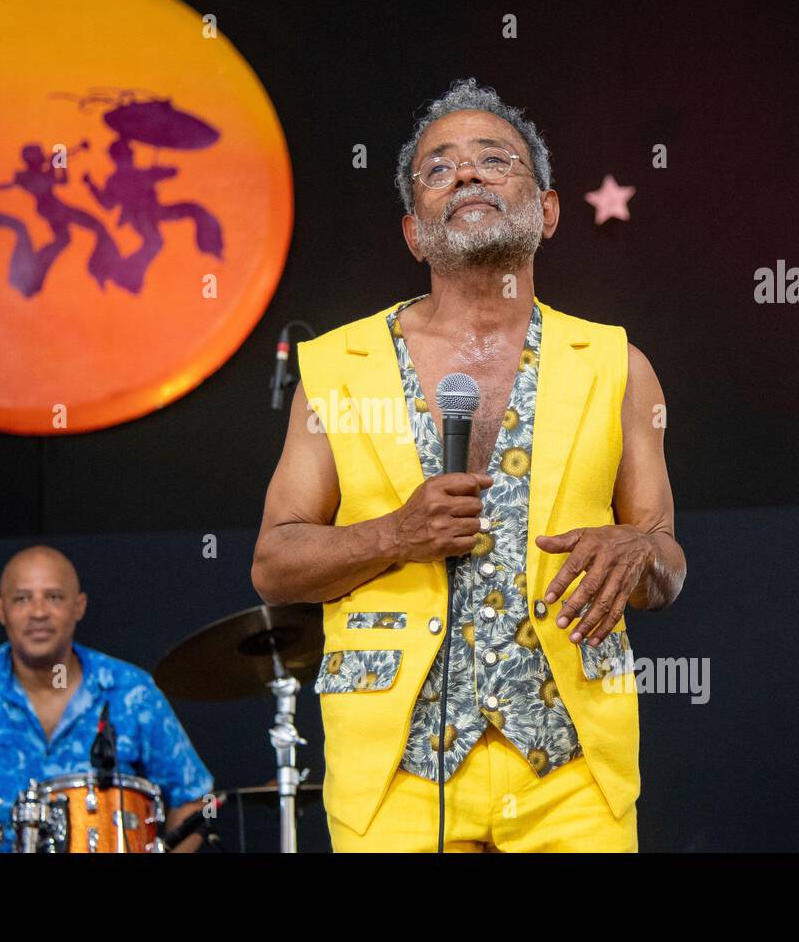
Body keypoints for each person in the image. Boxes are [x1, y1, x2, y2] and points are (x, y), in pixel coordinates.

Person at [252, 78, 686, 852]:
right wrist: (394, 534)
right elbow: (274, 564)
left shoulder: (617, 367)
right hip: (394, 776)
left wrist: (641, 548)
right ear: (415, 232)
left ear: (548, 211)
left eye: (496, 159)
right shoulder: (338, 370)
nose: (469, 174)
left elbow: (668, 565)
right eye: (438, 168)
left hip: (573, 770)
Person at [0, 545, 213, 852]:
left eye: (54, 597)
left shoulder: (130, 689)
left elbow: (195, 800)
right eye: (22, 598)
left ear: (79, 606)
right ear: (0, 610)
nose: (38, 612)